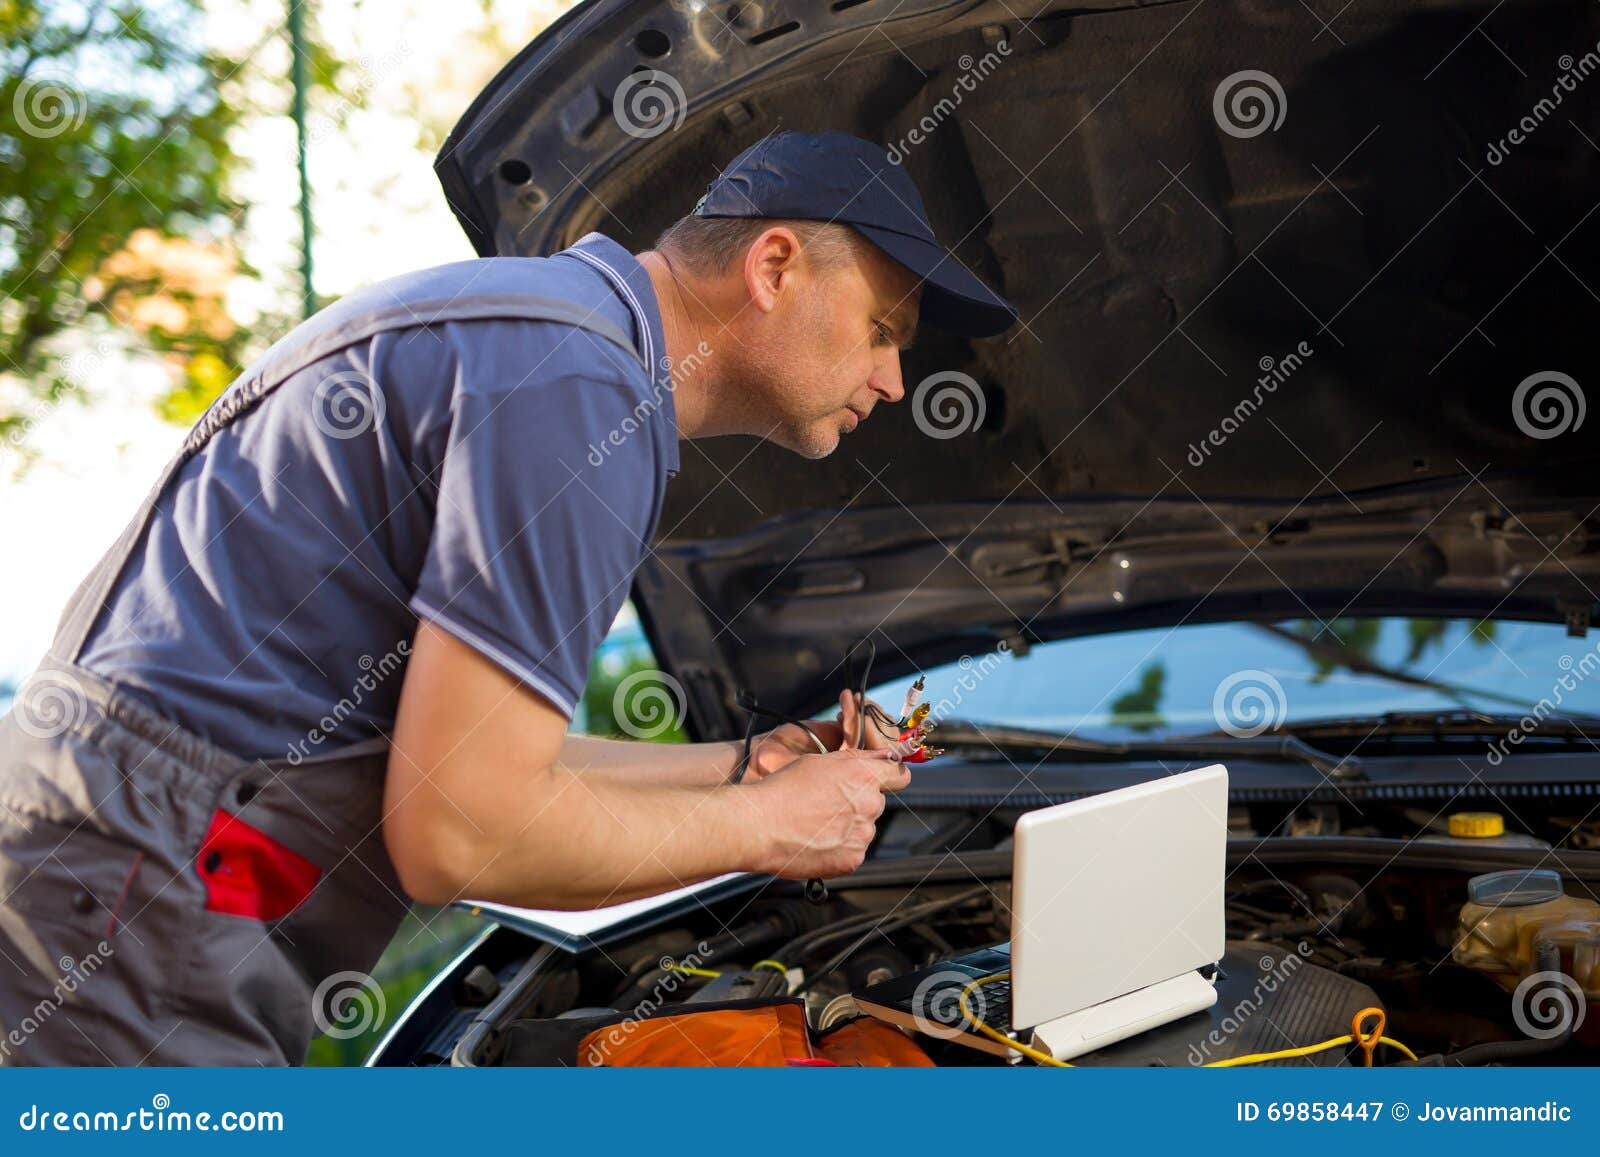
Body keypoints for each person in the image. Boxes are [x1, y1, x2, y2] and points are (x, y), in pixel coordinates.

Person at [0, 130, 1016, 1065]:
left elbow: (462, 759)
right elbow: (459, 831)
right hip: (137, 910)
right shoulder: (577, 388)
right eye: (883, 328)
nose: (892, 378)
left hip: (133, 869)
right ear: (773, 266)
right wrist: (769, 829)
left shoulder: (548, 343)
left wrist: (742, 766)